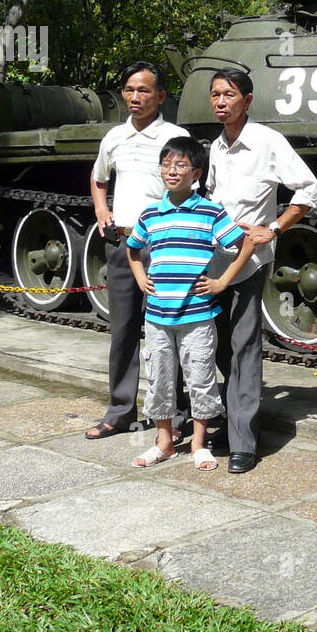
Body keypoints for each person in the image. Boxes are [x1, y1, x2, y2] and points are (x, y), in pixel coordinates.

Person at [204, 69, 317, 474]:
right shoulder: (216, 147)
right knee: (218, 346)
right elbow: (212, 196)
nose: (221, 102)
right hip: (212, 261)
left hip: (249, 262)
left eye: (229, 94)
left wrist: (273, 228)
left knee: (244, 349)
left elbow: (309, 189)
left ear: (247, 100)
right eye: (215, 95)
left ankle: (243, 441)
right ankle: (231, 420)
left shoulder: (269, 142)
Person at [125, 137, 256, 470]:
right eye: (167, 163)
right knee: (159, 378)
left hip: (197, 314)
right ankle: (164, 442)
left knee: (201, 377)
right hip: (157, 315)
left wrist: (222, 281)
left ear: (196, 172)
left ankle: (198, 443)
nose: (172, 170)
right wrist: (140, 277)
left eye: (181, 165)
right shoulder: (151, 213)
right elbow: (133, 249)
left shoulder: (210, 212)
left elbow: (245, 245)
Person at [86, 61, 191, 441]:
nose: (135, 97)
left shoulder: (176, 137)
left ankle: (176, 416)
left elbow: (193, 188)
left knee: (170, 329)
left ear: (161, 96)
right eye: (130, 90)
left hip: (165, 246)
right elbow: (99, 178)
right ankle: (120, 411)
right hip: (122, 245)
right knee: (124, 330)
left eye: (144, 90)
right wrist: (102, 209)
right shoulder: (113, 137)